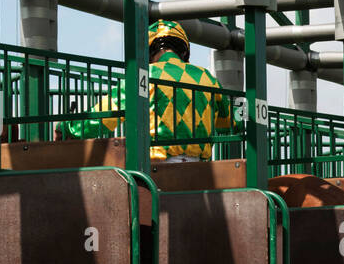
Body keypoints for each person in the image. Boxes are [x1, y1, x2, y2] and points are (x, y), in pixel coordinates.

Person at [61, 20, 232, 163]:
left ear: (149, 51)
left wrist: (69, 128)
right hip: (199, 168)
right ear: (184, 50)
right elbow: (229, 123)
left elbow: (106, 113)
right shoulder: (206, 77)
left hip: (155, 166)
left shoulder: (145, 74)